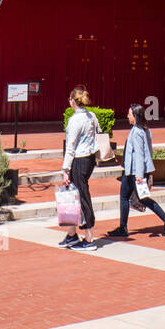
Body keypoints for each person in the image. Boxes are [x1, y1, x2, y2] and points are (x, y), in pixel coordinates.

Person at [107, 104, 165, 239]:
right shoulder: (145, 130)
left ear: (135, 116)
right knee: (133, 197)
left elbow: (139, 153)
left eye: (129, 114)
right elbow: (148, 151)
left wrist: (139, 175)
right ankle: (124, 226)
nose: (127, 116)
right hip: (133, 170)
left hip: (134, 172)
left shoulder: (137, 132)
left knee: (134, 198)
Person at [61, 86, 99, 251]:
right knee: (74, 195)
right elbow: (99, 133)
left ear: (72, 101)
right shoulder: (91, 116)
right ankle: (72, 234)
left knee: (82, 196)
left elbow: (70, 146)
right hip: (89, 159)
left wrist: (65, 168)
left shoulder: (75, 120)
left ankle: (89, 238)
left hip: (79, 160)